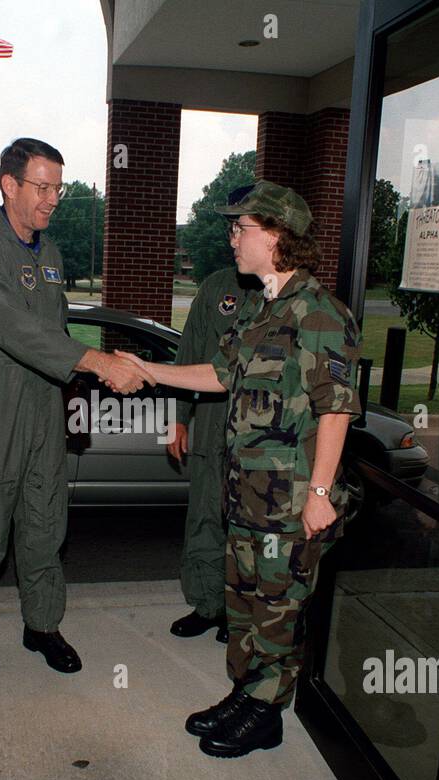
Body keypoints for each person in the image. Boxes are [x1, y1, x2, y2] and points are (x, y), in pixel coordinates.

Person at [118, 180, 362, 758]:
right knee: (245, 602)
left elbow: (337, 409)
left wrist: (321, 492)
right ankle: (246, 694)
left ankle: (268, 715)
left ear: (275, 235)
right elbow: (217, 375)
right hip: (246, 497)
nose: (231, 239)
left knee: (277, 610)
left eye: (240, 228)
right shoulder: (261, 308)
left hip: (289, 503)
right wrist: (149, 371)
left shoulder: (321, 313)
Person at [0, 137, 151, 676]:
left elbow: (53, 329)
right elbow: (13, 329)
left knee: (45, 520)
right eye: (43, 186)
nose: (54, 198)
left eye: (58, 187)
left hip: (44, 400)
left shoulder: (50, 252)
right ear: (9, 185)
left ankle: (42, 626)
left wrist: (76, 392)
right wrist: (97, 363)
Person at [168, 186, 262, 644]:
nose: (231, 239)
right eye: (230, 229)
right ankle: (205, 604)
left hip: (256, 438)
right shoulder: (216, 287)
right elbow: (188, 354)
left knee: (243, 529)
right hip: (209, 425)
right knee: (203, 519)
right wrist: (179, 418)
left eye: (240, 227)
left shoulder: (281, 293)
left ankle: (235, 612)